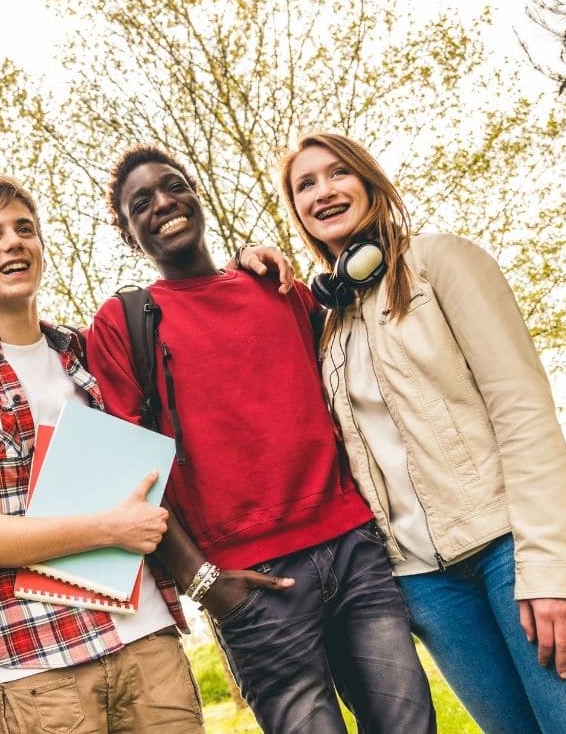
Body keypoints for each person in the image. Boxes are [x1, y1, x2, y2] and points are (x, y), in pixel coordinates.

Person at [88, 144, 438, 733]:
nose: (164, 204)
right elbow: (131, 478)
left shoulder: (279, 290)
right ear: (127, 235)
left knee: (409, 725)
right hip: (251, 585)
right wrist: (205, 582)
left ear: (196, 197)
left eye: (175, 186)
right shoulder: (123, 323)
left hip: (353, 550)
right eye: (140, 203)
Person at [278, 131, 566, 732]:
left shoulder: (441, 260)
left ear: (369, 182)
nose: (324, 192)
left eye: (338, 173)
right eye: (304, 185)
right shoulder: (329, 326)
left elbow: (521, 409)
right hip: (425, 584)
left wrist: (553, 566)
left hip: (509, 550)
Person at [0, 176, 208, 733]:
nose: (14, 243)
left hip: (146, 639)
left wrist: (249, 267)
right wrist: (108, 529)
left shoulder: (89, 349)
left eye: (25, 229)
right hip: (37, 666)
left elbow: (193, 327)